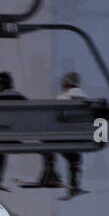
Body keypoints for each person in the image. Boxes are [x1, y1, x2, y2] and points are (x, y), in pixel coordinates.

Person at [38, 71, 88, 199]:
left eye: (63, 81)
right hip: (80, 139)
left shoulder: (63, 98)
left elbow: (53, 117)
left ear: (67, 83)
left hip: (62, 137)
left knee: (46, 142)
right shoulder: (86, 99)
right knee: (74, 155)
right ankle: (74, 184)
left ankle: (51, 173)